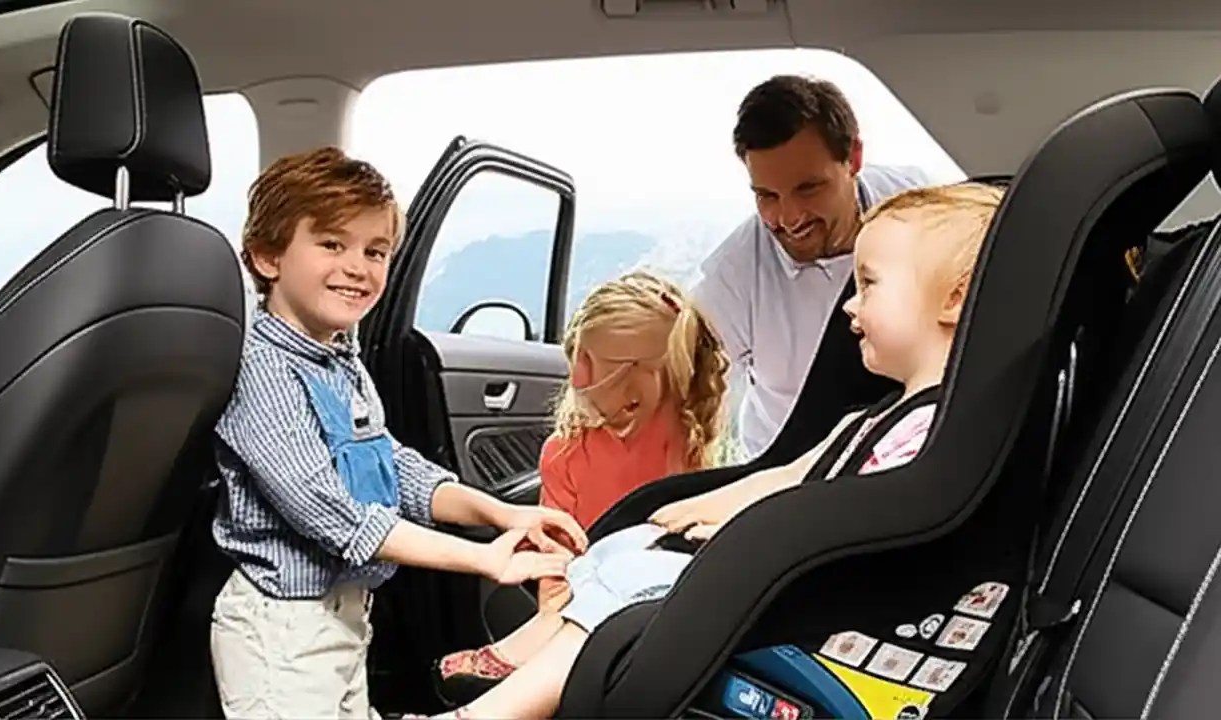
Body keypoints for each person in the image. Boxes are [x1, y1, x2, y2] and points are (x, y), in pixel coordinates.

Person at [417, 181, 1005, 719]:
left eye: (868, 284)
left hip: (827, 616)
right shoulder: (878, 416)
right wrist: (706, 508)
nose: (849, 305)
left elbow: (854, 525)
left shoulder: (935, 437)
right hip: (787, 578)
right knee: (623, 549)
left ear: (953, 299)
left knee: (634, 576)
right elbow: (792, 474)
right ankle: (521, 654)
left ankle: (486, 714)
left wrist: (738, 539)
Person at [208, 146, 586, 720]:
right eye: (332, 244)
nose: (359, 266)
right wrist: (485, 560)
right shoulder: (263, 371)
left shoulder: (340, 360)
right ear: (267, 256)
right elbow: (336, 517)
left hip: (343, 614)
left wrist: (500, 514)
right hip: (279, 627)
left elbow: (391, 466)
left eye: (376, 250)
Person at [435, 271, 731, 698]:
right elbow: (555, 551)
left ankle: (525, 660)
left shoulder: (684, 443)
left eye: (596, 364)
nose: (576, 376)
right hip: (581, 591)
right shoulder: (566, 452)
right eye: (579, 356)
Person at [694, 74, 945, 460]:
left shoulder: (920, 208)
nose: (790, 217)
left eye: (808, 188)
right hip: (783, 471)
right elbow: (688, 393)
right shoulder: (732, 278)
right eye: (767, 196)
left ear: (853, 159)